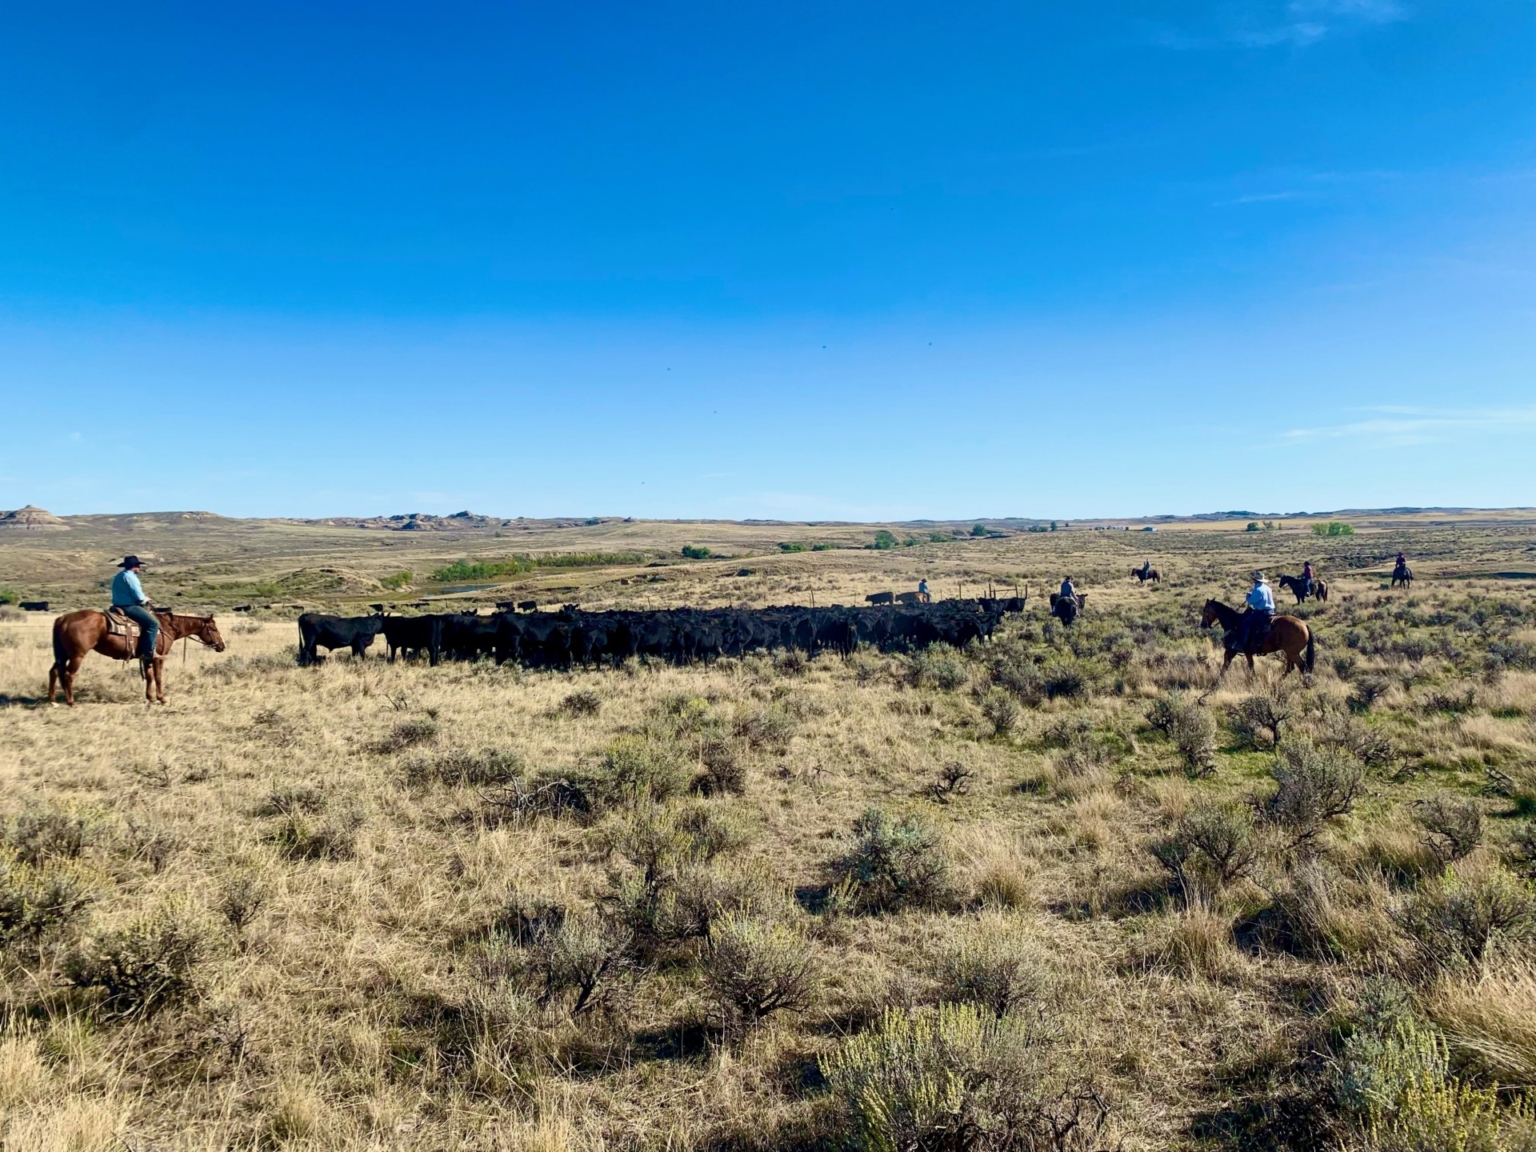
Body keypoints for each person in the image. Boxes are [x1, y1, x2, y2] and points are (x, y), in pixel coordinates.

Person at [110, 555, 159, 664]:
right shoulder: (131, 577)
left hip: (117, 605)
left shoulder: (119, 575)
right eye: (138, 566)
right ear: (135, 566)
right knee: (153, 624)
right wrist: (146, 599)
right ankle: (148, 653)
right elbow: (139, 597)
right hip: (129, 607)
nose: (139, 568)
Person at [1239, 571, 1274, 653]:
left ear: (1255, 580)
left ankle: (1242, 645)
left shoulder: (1258, 589)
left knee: (1246, 624)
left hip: (1261, 612)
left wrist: (1248, 596)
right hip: (1271, 611)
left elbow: (1252, 600)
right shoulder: (1268, 588)